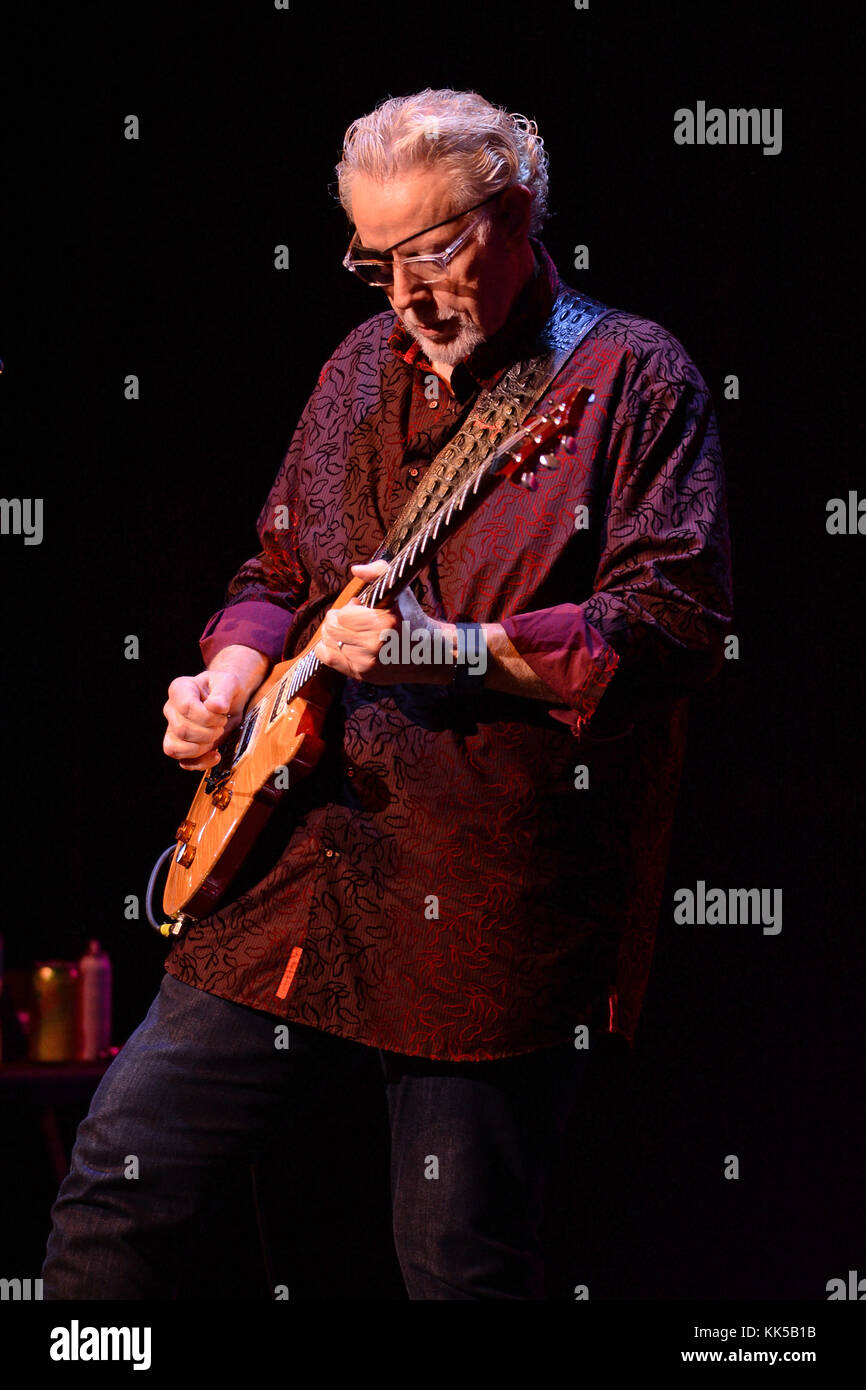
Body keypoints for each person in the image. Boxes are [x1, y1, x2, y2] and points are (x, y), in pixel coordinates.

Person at [42, 87, 732, 1300]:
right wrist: (226, 675)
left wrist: (451, 652)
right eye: (376, 262)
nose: (405, 296)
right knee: (116, 1188)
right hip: (295, 867)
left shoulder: (633, 376)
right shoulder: (360, 365)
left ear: (515, 214)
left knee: (456, 1263)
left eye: (431, 252)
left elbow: (672, 623)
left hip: (485, 899)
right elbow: (277, 570)